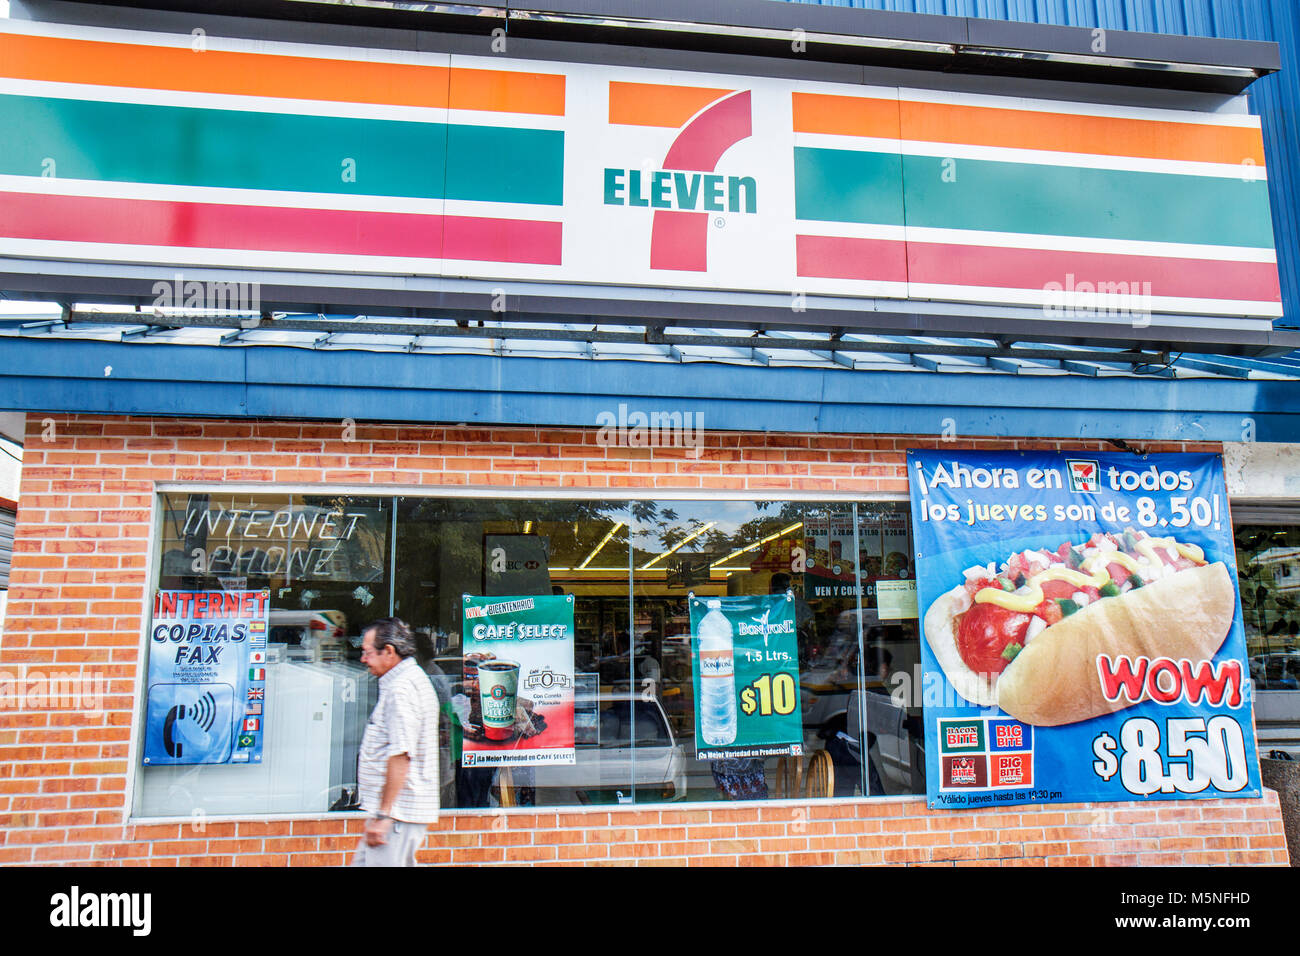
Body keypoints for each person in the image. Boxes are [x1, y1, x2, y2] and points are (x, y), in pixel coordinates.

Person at [351, 617, 440, 867]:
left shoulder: (402, 689)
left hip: (397, 815)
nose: (363, 659)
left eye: (367, 652)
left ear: (388, 651)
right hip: (395, 815)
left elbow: (401, 754)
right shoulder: (407, 681)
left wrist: (384, 814)